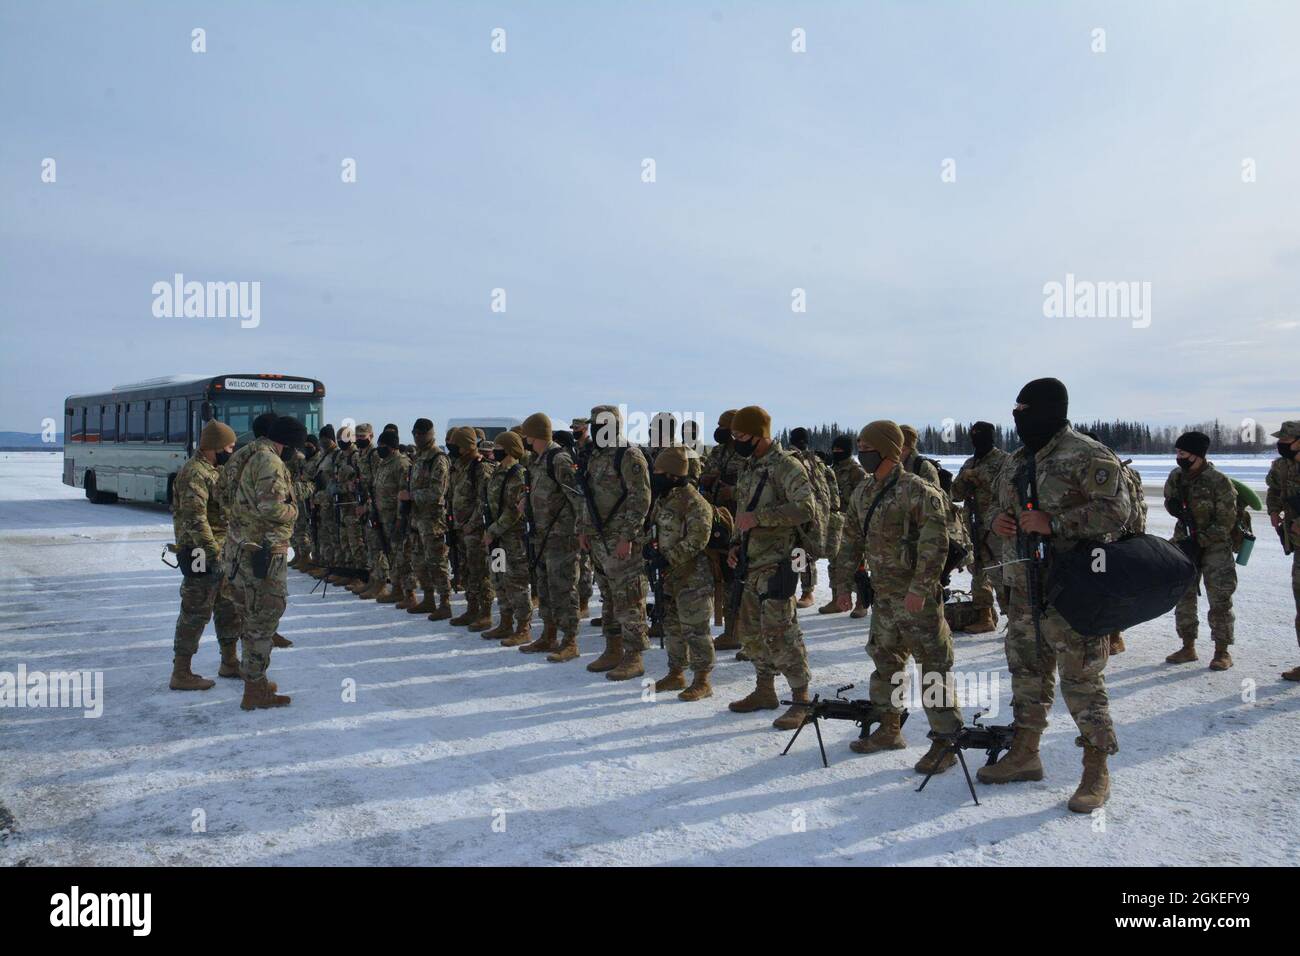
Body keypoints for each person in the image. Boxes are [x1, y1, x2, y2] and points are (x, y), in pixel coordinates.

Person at [981, 378, 1131, 813]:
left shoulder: (1088, 455)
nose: (1016, 414)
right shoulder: (1016, 460)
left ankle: (1095, 770)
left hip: (1074, 589)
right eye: (1015, 407)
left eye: (1024, 407)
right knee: (1026, 673)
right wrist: (997, 523)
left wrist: (1055, 523)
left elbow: (1117, 512)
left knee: (1081, 680)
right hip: (1023, 589)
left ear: (1049, 409)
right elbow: (996, 505)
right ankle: (1025, 754)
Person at [833, 421, 963, 772]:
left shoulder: (918, 490)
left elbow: (936, 544)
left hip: (916, 599)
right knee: (885, 662)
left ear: (888, 449)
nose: (862, 451)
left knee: (934, 668)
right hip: (885, 597)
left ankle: (945, 741)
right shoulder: (863, 492)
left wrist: (921, 589)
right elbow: (850, 542)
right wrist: (842, 585)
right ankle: (889, 728)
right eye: (859, 444)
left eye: (867, 445)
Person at [724, 406, 816, 729]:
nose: (736, 441)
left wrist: (761, 519)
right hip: (752, 560)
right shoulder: (749, 467)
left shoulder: (785, 466)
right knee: (750, 631)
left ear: (760, 435)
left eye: (741, 436)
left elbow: (806, 508)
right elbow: (742, 511)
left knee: (782, 631)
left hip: (781, 560)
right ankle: (765, 690)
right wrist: (736, 544)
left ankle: (802, 700)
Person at [229, 415, 305, 709]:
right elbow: (271, 507)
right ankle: (254, 690)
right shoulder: (270, 463)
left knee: (253, 617)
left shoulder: (252, 457)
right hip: (265, 550)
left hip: (246, 547)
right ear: (285, 443)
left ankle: (255, 682)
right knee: (264, 617)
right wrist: (294, 510)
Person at [576, 405, 652, 680]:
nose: (594, 430)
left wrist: (627, 536)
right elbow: (588, 497)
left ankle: (634, 656)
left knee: (629, 598)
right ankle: (613, 648)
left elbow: (641, 499)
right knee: (608, 596)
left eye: (598, 425)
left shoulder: (628, 455)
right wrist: (584, 529)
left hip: (621, 541)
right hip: (599, 540)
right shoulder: (595, 457)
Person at [168, 419, 242, 690]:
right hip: (200, 553)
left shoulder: (214, 470)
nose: (232, 451)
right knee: (196, 611)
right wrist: (213, 552)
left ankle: (230, 661)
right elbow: (195, 518)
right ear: (215, 446)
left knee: (228, 608)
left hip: (220, 553)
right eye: (229, 446)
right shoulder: (194, 473)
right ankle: (181, 672)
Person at [1163, 431, 1238, 670]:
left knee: (1219, 598)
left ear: (1197, 455)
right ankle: (1188, 646)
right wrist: (1172, 506)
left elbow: (1226, 521)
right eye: (1177, 452)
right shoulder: (1176, 477)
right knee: (1183, 595)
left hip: (1215, 546)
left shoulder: (1218, 481)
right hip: (1185, 542)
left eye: (1183, 453)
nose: (1179, 457)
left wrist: (1202, 539)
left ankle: (1222, 651)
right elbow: (1170, 499)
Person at [647, 446, 716, 700]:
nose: (654, 475)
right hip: (668, 577)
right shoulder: (664, 498)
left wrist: (669, 559)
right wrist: (648, 550)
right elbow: (654, 530)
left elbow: (698, 539)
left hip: (692, 576)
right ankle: (676, 672)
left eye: (658, 471)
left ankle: (702, 680)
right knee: (672, 625)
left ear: (674, 475)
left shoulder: (695, 502)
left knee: (695, 629)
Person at [519, 413, 582, 657]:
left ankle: (570, 641)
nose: (525, 440)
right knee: (544, 588)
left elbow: (577, 498)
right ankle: (548, 634)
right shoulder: (538, 460)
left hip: (561, 536)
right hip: (542, 536)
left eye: (527, 435)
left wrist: (579, 531)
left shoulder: (559, 459)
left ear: (535, 434)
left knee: (563, 589)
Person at [950, 421, 1009, 632]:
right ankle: (984, 616)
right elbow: (955, 494)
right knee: (977, 570)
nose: (977, 439)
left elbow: (1008, 491)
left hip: (995, 525)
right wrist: (964, 479)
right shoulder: (969, 463)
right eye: (973, 435)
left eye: (981, 435)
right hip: (972, 523)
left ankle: (1015, 617)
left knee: (1000, 572)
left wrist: (983, 479)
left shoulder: (1004, 461)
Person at [481, 430, 533, 643]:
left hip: (511, 538)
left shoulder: (517, 474)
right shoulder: (497, 471)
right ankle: (505, 622)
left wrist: (493, 531)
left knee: (515, 582)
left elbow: (515, 510)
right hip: (497, 538)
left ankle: (523, 627)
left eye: (499, 448)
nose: (494, 452)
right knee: (499, 578)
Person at [404, 418, 454, 619]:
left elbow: (437, 493)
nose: (417, 437)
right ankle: (428, 598)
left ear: (431, 434)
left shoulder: (438, 459)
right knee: (419, 561)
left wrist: (411, 496)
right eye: (415, 433)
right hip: (417, 520)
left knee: (437, 563)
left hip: (433, 521)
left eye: (422, 434)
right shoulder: (419, 457)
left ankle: (445, 602)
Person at [448, 427, 495, 630]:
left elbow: (483, 502)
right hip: (459, 528)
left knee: (480, 572)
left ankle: (485, 612)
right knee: (466, 570)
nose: (452, 449)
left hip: (475, 530)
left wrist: (471, 524)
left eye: (456, 445)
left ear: (467, 447)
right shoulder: (458, 467)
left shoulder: (480, 468)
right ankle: (471, 607)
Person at [1266, 421, 1300, 682]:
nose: (1282, 445)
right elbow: (1274, 489)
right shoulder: (1281, 465)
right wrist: (1274, 511)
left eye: (1287, 440)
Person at [821, 434, 866, 616]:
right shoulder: (831, 470)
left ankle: (862, 602)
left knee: (857, 565)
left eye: (840, 450)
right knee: (835, 563)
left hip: (853, 525)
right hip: (834, 525)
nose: (836, 452)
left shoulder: (857, 472)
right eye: (834, 449)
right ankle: (836, 599)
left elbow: (863, 501)